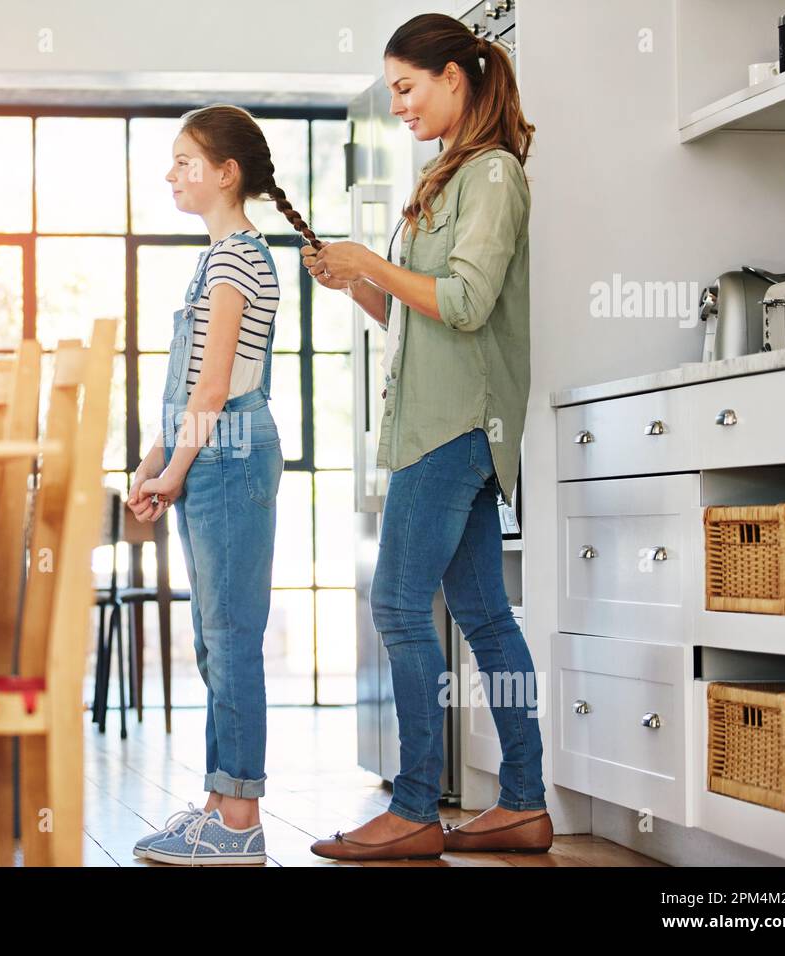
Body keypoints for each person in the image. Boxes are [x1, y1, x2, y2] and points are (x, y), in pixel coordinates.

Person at [304, 13, 550, 861]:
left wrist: (372, 260)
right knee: (484, 615)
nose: (399, 104)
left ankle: (412, 810)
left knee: (400, 607)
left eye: (407, 86)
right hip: (445, 422)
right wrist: (355, 283)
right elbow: (418, 318)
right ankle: (522, 803)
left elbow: (468, 302)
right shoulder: (447, 178)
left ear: (456, 75)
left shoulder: (491, 177)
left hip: (452, 429)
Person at [124, 104, 319, 866]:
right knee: (216, 638)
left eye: (184, 161)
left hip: (228, 453)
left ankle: (239, 822)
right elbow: (196, 384)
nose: (171, 174)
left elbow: (213, 392)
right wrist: (155, 458)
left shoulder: (237, 258)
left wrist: (173, 470)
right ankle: (217, 801)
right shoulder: (218, 257)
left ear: (225, 172)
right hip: (211, 452)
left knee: (231, 637)